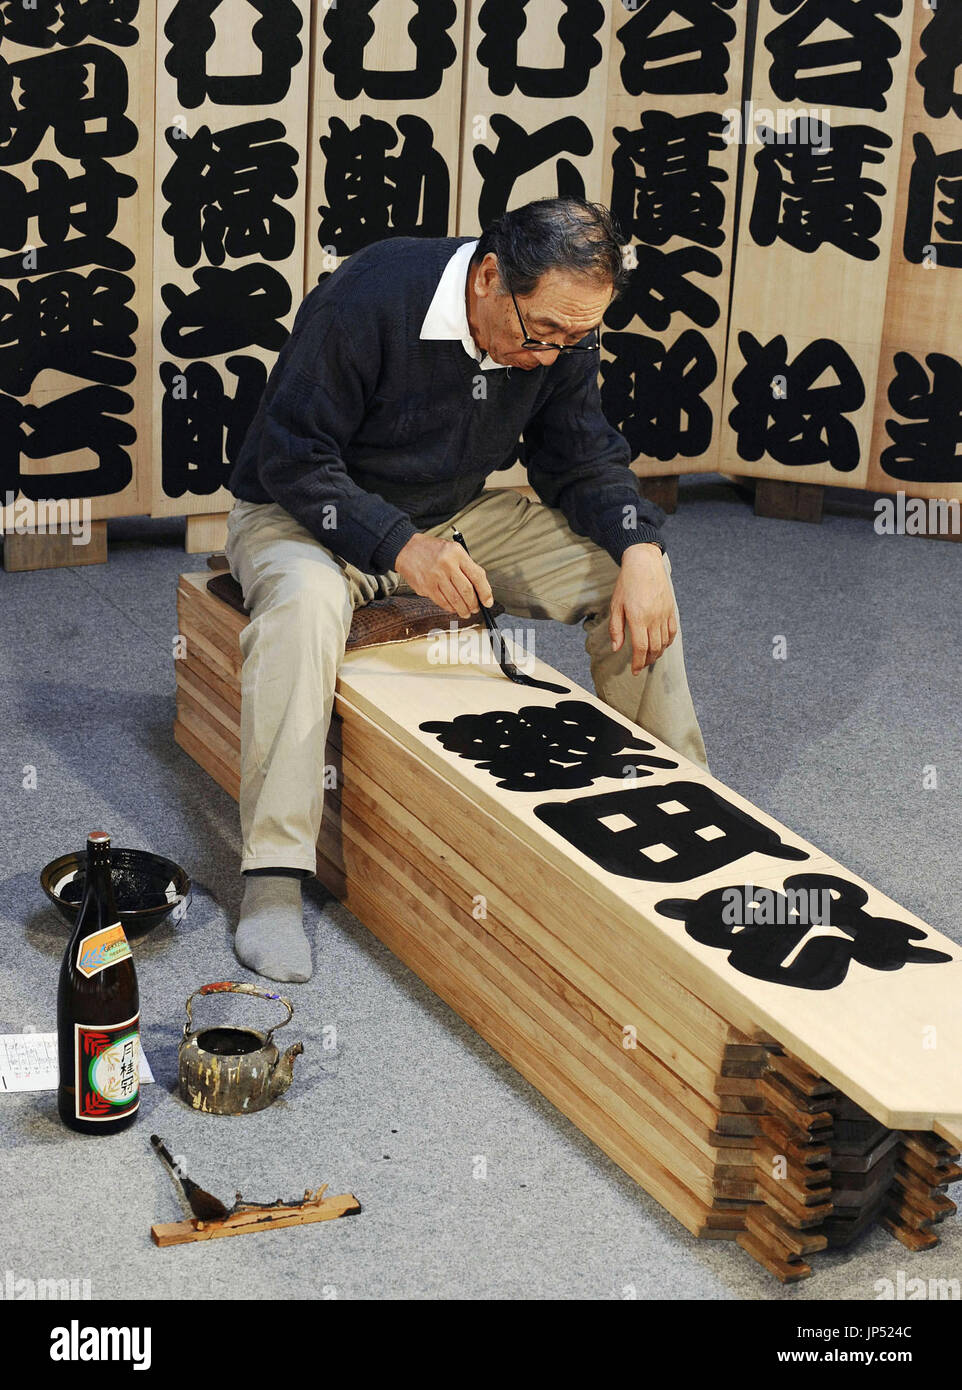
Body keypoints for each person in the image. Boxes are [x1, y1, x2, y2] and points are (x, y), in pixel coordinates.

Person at [224, 196, 708, 983]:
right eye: (541, 333)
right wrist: (398, 546)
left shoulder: (558, 328)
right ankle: (274, 878)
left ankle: (686, 800)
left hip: (451, 515)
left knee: (618, 576)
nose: (553, 355)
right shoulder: (371, 293)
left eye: (575, 338)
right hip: (306, 515)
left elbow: (580, 458)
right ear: (488, 277)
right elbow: (292, 455)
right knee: (305, 607)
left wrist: (641, 545)